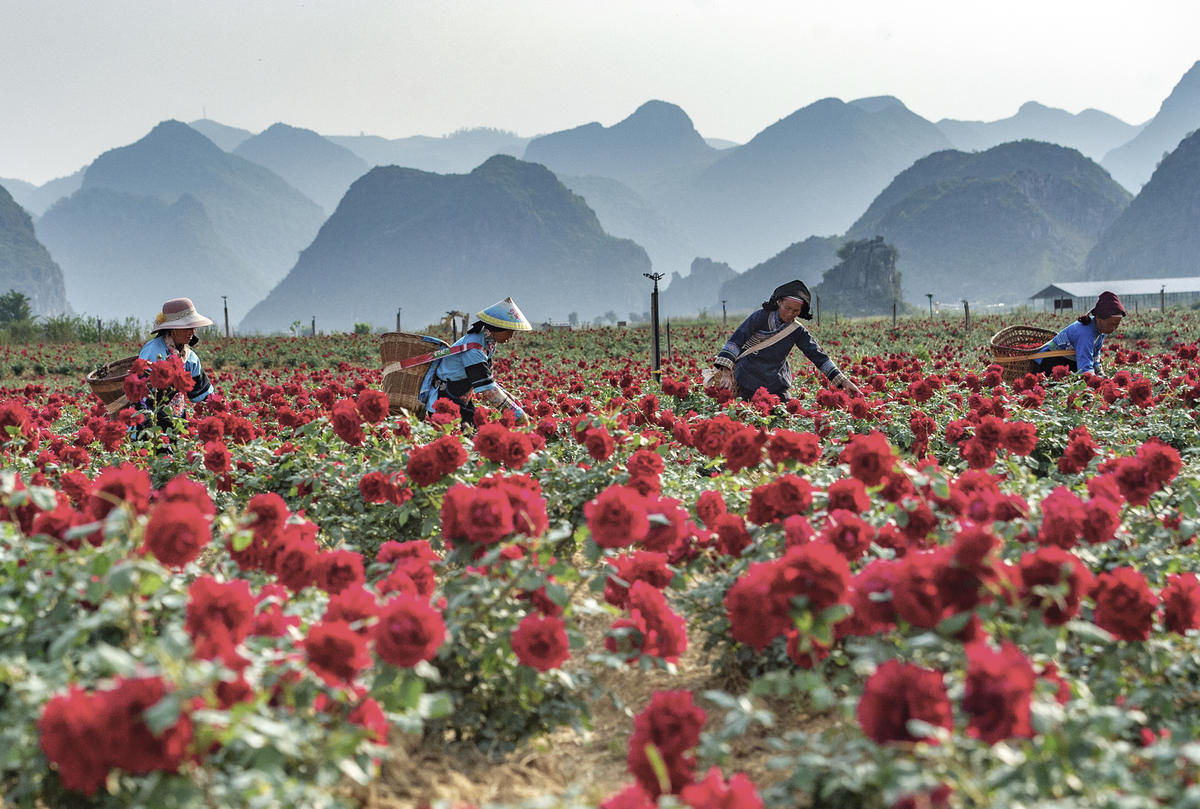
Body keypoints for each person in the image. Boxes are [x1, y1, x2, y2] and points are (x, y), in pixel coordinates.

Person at [709, 280, 862, 400]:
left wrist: (844, 381)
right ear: (779, 302)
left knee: (785, 416)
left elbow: (818, 356)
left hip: (776, 382)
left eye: (795, 311)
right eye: (787, 308)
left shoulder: (797, 330)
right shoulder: (760, 317)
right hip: (748, 379)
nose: (790, 314)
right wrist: (726, 372)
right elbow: (736, 341)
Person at [420, 296, 531, 425]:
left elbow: (488, 379)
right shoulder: (474, 348)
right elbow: (488, 390)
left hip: (461, 393)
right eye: (509, 331)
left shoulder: (487, 342)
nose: (510, 337)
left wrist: (511, 399)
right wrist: (517, 414)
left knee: (471, 429)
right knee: (459, 433)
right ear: (498, 328)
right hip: (447, 397)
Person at [136, 297, 216, 435]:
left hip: (176, 424)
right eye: (187, 327)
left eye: (193, 327)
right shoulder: (153, 352)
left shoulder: (190, 357)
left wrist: (219, 410)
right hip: (149, 427)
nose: (192, 332)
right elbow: (139, 396)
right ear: (173, 328)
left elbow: (202, 395)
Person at [1035, 290, 1125, 376]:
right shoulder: (1085, 333)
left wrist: (1100, 372)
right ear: (1099, 318)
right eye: (1111, 324)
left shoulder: (1100, 330)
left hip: (1070, 361)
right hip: (1053, 363)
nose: (1113, 328)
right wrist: (1094, 380)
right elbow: (1085, 368)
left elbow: (1095, 353)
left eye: (1116, 325)